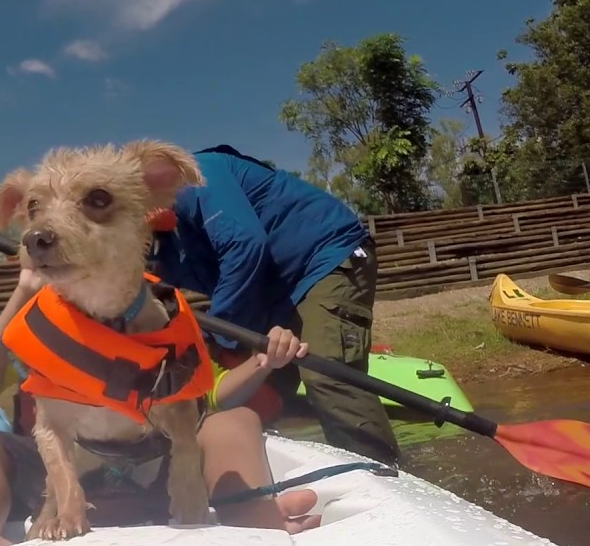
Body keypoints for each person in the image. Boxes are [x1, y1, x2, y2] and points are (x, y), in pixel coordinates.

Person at [0, 265, 322, 546]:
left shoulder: (157, 317)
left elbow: (214, 394)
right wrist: (24, 292)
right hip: (57, 472)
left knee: (235, 420)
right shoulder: (36, 323)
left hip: (156, 461)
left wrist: (264, 362)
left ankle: (249, 509)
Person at [146, 144, 400, 467]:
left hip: (325, 258)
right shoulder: (152, 249)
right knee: (253, 396)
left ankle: (383, 472)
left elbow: (246, 245)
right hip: (272, 292)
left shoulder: (194, 174)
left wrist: (225, 342)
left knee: (324, 372)